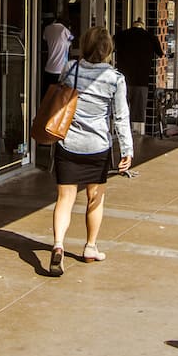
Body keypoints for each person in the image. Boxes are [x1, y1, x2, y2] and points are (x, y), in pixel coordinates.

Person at [48, 26, 133, 277]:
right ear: (108, 50)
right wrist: (127, 150)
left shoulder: (70, 68)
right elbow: (121, 118)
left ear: (85, 45)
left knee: (64, 199)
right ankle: (90, 247)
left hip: (68, 143)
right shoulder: (115, 79)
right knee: (95, 198)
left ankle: (58, 245)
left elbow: (62, 97)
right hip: (98, 147)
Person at [113, 18, 162, 134]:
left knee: (120, 112)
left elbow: (111, 49)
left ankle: (122, 132)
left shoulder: (120, 35)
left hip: (123, 79)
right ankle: (129, 133)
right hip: (141, 80)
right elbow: (160, 53)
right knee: (136, 114)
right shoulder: (151, 37)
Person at [40, 16, 74, 89]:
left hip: (48, 67)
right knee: (59, 93)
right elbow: (72, 38)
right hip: (60, 69)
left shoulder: (47, 29)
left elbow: (44, 38)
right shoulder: (64, 30)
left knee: (47, 92)